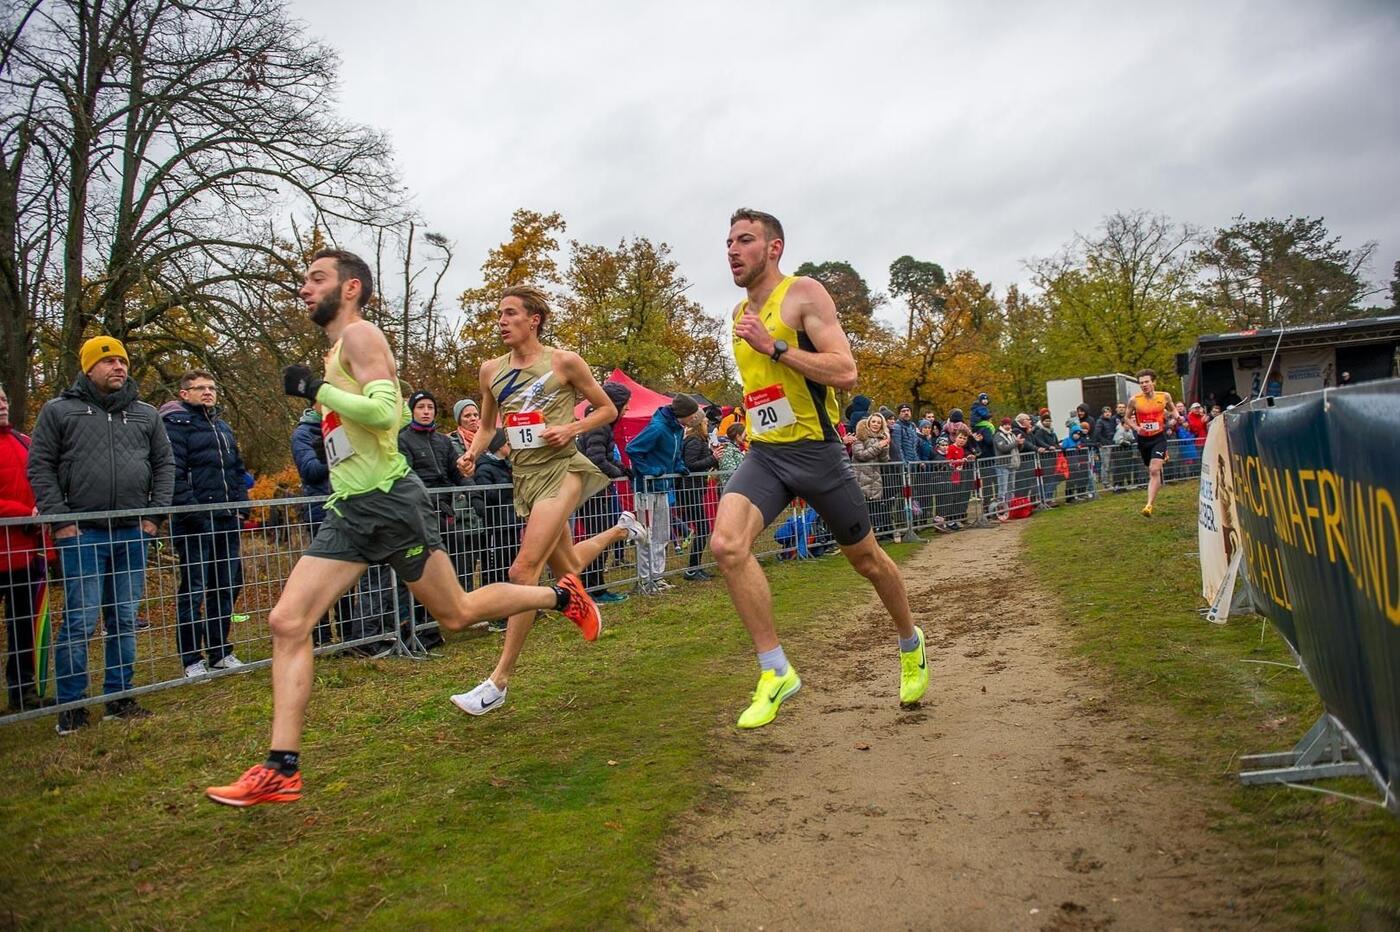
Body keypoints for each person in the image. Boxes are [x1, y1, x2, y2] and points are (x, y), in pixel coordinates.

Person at [205, 250, 602, 806]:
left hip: (391, 502)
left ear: (349, 289)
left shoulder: (361, 336)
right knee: (287, 620)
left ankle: (559, 598)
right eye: (303, 279)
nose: (303, 288)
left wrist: (316, 392)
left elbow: (385, 414)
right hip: (349, 506)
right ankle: (281, 767)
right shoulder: (337, 349)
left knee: (457, 613)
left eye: (316, 279)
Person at [711, 208, 926, 729]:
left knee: (869, 561)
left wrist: (777, 347)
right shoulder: (738, 313)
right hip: (766, 454)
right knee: (727, 546)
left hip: (816, 453)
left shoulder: (804, 294)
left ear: (774, 248)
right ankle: (775, 669)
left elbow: (846, 371)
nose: (733, 251)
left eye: (745, 240)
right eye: (729, 243)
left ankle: (909, 641)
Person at [448, 284, 646, 717]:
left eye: (510, 313)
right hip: (526, 476)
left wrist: (570, 430)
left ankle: (498, 681)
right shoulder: (490, 371)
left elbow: (606, 411)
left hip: (564, 469)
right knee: (569, 566)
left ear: (533, 319)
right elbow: (487, 426)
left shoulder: (564, 362)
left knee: (523, 569)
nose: (500, 321)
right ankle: (619, 532)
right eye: (498, 314)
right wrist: (471, 453)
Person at [28, 336, 173, 734]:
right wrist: (62, 521)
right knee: (80, 620)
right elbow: (40, 465)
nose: (118, 367)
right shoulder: (59, 411)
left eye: (123, 361)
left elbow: (164, 465)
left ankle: (119, 697)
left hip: (131, 532)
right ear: (88, 368)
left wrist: (152, 518)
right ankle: (72, 706)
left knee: (124, 619)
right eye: (108, 361)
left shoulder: (145, 415)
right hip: (82, 534)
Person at [163, 370, 250, 678]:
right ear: (184, 393)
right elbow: (172, 472)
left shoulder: (223, 427)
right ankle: (191, 659)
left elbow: (238, 469)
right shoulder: (174, 425)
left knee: (224, 587)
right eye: (200, 388)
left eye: (211, 387)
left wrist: (240, 507)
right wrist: (195, 511)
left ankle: (220, 651)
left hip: (227, 520)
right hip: (194, 523)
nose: (208, 392)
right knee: (194, 590)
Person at [0, 386, 51, 713]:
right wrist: (23, 513)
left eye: (4, 398)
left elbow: (43, 485)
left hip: (24, 555)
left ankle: (24, 691)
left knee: (23, 627)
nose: (2, 405)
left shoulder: (24, 442)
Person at [626, 394, 698, 594]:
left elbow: (673, 455)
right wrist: (650, 470)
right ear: (682, 414)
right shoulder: (658, 428)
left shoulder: (676, 430)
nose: (694, 419)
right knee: (647, 536)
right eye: (691, 415)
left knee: (662, 534)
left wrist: (679, 466)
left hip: (664, 488)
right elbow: (633, 449)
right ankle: (645, 580)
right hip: (647, 490)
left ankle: (657, 577)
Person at [576, 381, 633, 602]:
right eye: (625, 405)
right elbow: (596, 459)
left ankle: (593, 586)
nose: (627, 409)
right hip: (592, 492)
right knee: (597, 540)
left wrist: (623, 470)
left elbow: (605, 457)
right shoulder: (598, 426)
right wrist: (615, 473)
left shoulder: (602, 425)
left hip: (596, 490)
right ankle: (595, 589)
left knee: (599, 538)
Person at [1124, 368, 1175, 517]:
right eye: (1141, 383)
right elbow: (1127, 418)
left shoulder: (1164, 396)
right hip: (1143, 439)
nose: (1144, 385)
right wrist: (1136, 427)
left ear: (1153, 382)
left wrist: (1177, 417)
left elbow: (1173, 409)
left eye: (1146, 382)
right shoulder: (1134, 400)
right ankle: (1161, 459)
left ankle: (1149, 505)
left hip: (1158, 437)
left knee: (1154, 470)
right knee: (1150, 468)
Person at [679, 407, 719, 581]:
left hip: (694, 489)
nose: (707, 424)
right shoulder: (694, 441)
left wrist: (713, 457)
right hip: (690, 490)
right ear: (698, 423)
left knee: (703, 528)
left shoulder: (698, 440)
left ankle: (695, 567)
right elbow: (690, 464)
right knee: (703, 528)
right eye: (705, 422)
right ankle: (692, 569)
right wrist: (713, 459)